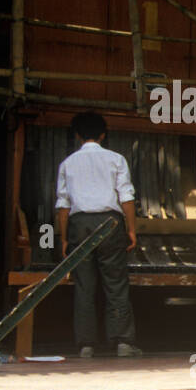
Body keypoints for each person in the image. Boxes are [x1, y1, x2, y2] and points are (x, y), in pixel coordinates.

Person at [55, 112, 142, 358]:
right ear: (103, 135)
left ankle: (86, 346)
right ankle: (123, 342)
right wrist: (131, 230)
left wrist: (63, 239)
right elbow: (126, 198)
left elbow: (63, 206)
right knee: (115, 283)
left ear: (77, 135)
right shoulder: (116, 159)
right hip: (110, 224)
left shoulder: (67, 164)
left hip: (78, 224)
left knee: (84, 286)